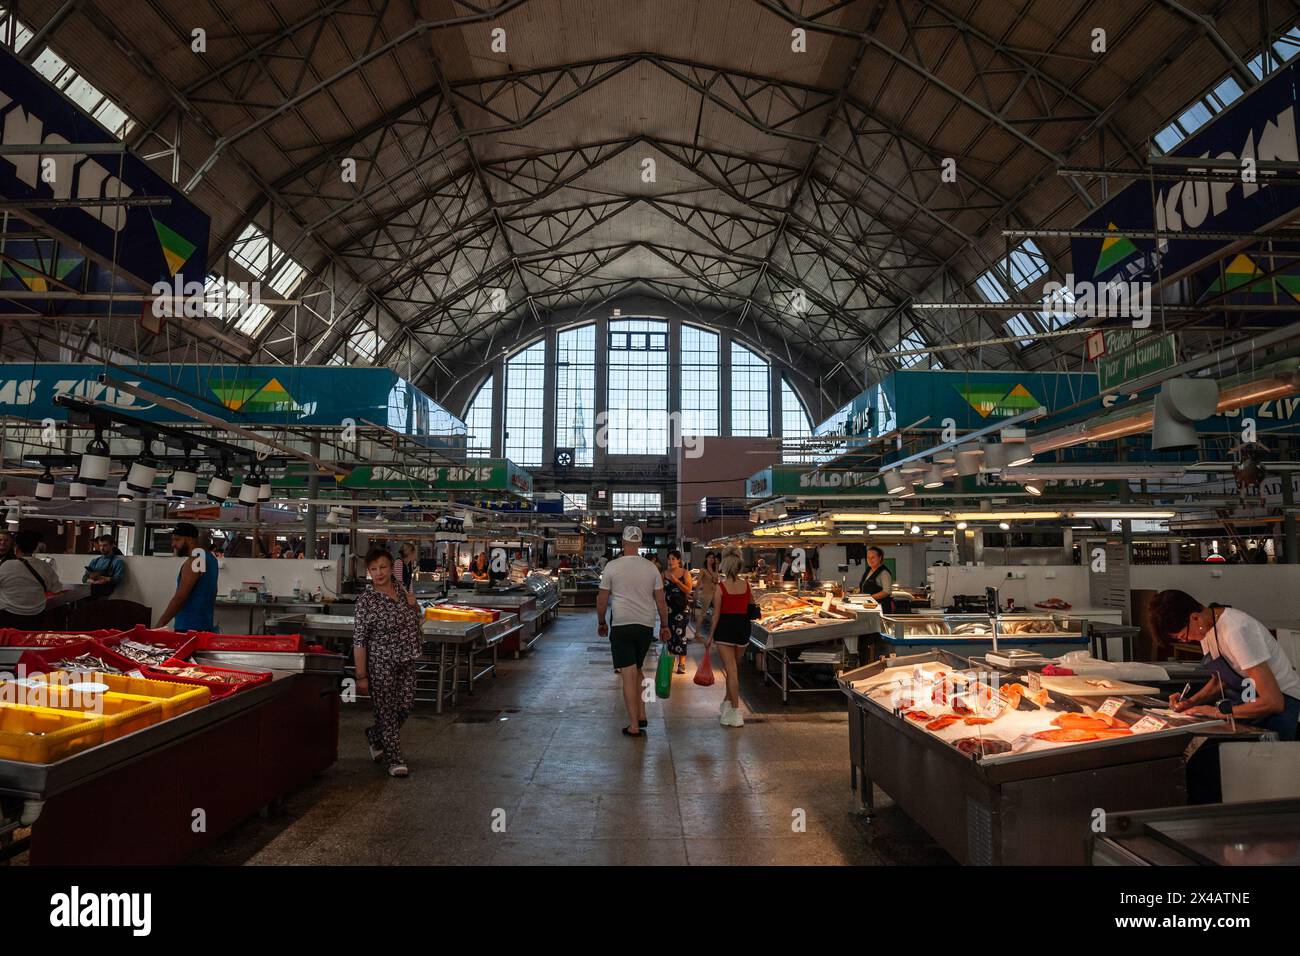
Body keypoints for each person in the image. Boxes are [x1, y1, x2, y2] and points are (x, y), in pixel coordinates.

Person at [1149, 589, 1300, 740]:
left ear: (1195, 618)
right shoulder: (1206, 631)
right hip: (1252, 704)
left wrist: (1215, 712)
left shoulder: (1237, 630)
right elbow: (1220, 681)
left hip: (1283, 708)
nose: (1186, 640)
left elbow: (1273, 701)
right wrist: (1189, 703)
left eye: (1183, 636)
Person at [353, 547, 423, 777]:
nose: (379, 572)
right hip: (381, 662)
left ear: (391, 567)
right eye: (373, 569)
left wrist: (414, 606)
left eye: (382, 567)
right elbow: (359, 639)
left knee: (406, 705)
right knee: (387, 712)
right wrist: (361, 675)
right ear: (369, 571)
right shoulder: (366, 601)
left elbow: (416, 619)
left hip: (407, 658)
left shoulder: (401, 590)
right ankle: (395, 759)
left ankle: (375, 735)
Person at [596, 526, 672, 738]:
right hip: (645, 625)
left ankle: (634, 726)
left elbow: (602, 599)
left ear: (623, 542)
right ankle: (642, 713)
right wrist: (664, 625)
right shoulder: (651, 568)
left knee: (628, 675)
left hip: (622, 624)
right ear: (639, 544)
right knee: (638, 669)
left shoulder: (612, 566)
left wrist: (601, 621)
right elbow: (661, 601)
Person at [704, 547, 753, 728]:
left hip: (725, 630)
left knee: (731, 671)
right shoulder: (747, 585)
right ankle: (726, 702)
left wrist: (709, 636)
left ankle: (736, 711)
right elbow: (752, 606)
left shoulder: (721, 587)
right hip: (743, 630)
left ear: (724, 567)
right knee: (734, 670)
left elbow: (716, 614)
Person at [155, 523, 219, 632]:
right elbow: (214, 590)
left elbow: (180, 597)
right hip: (205, 626)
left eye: (177, 539)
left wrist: (160, 624)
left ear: (189, 539)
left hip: (188, 628)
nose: (173, 544)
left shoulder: (195, 561)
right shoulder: (211, 559)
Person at [0, 530, 62, 627]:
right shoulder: (44, 567)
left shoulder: (6, 565)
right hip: (36, 616)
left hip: (8, 615)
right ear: (35, 548)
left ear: (16, 547)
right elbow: (57, 589)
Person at [663, 550, 694, 674]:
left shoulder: (685, 573)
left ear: (679, 560)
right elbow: (660, 591)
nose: (671, 561)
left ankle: (682, 663)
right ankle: (670, 661)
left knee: (680, 634)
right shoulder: (664, 574)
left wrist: (677, 582)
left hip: (682, 609)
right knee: (669, 634)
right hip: (668, 609)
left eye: (673, 559)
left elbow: (688, 590)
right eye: (669, 559)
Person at [82, 533, 125, 598]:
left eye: (105, 545)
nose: (102, 548)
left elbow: (118, 580)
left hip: (107, 596)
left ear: (112, 545)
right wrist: (92, 581)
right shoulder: (95, 561)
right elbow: (84, 578)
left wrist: (105, 579)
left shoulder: (117, 562)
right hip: (91, 593)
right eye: (100, 545)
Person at [858, 546, 894, 613]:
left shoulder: (884, 572)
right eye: (868, 557)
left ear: (880, 558)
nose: (870, 560)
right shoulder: (869, 569)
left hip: (881, 608)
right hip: (870, 607)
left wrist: (870, 597)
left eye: (873, 557)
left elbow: (887, 592)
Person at [693, 551, 719, 643]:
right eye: (710, 557)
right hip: (706, 593)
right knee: (703, 613)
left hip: (715, 593)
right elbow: (699, 582)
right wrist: (696, 593)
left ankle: (713, 633)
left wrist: (716, 580)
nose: (711, 559)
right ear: (706, 558)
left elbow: (717, 581)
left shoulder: (715, 569)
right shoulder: (703, 570)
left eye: (713, 558)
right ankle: (697, 633)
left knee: (716, 613)